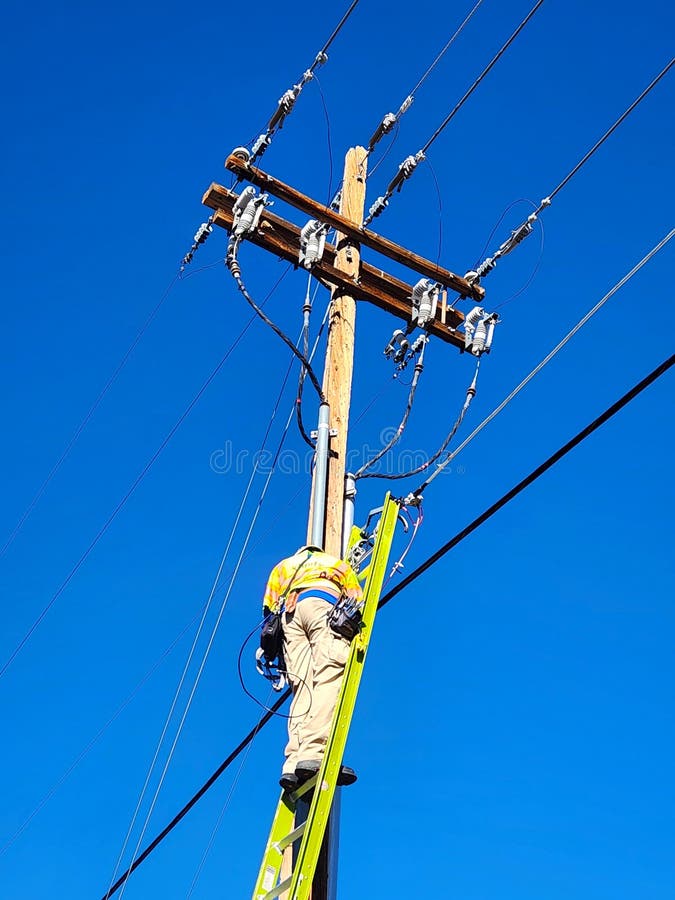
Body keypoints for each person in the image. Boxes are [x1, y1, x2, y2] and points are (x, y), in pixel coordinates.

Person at [262, 544, 363, 791]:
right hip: (323, 605)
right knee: (328, 676)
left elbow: (268, 609)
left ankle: (293, 761)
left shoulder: (283, 566)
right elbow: (357, 602)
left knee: (302, 687)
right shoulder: (335, 564)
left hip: (290, 616)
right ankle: (315, 753)